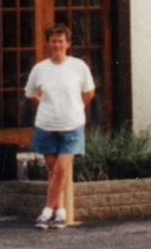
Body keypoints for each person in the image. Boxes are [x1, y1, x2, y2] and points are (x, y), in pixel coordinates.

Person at [23, 23, 97, 228]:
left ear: (68, 44)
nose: (57, 45)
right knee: (53, 171)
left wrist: (75, 107)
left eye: (61, 41)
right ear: (48, 44)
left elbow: (89, 92)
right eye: (53, 41)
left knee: (61, 169)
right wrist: (47, 105)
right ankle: (61, 211)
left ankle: (46, 212)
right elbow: (30, 93)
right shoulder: (40, 69)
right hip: (46, 126)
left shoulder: (79, 67)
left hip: (72, 126)